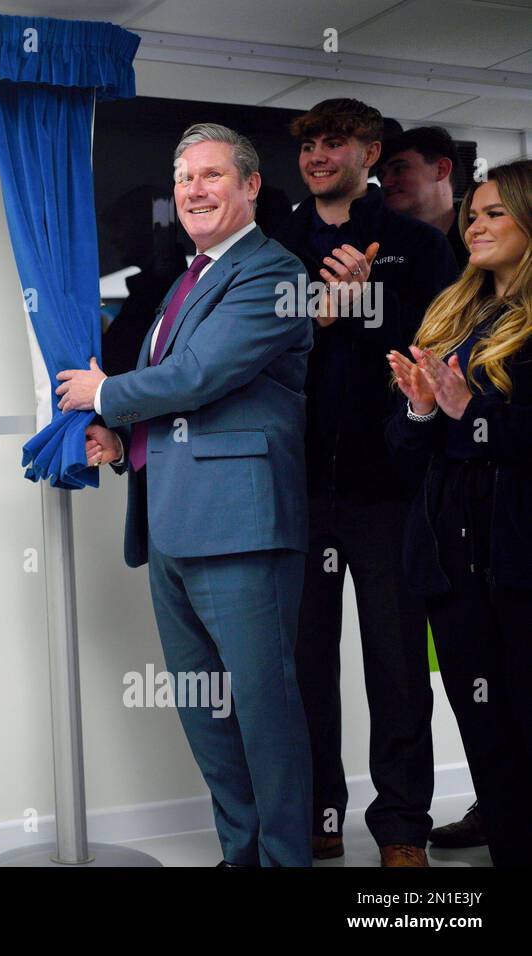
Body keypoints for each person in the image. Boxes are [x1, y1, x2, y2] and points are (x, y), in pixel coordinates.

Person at [56, 123, 313, 867]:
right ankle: (241, 855)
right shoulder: (186, 280)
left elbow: (201, 375)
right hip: (170, 524)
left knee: (265, 711)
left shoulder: (274, 274)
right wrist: (120, 444)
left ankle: (285, 860)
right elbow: (182, 407)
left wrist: (105, 393)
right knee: (208, 714)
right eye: (184, 178)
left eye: (211, 175)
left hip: (241, 527)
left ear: (251, 186)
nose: (194, 190)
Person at [271, 99, 458, 867]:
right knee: (306, 663)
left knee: (397, 664)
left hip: (392, 490)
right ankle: (319, 811)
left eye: (335, 142)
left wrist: (363, 312)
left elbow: (441, 354)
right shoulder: (276, 243)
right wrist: (317, 314)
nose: (319, 155)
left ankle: (403, 828)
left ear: (370, 152)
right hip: (298, 488)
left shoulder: (417, 245)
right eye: (310, 144)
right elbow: (253, 353)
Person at [386, 160, 532, 867]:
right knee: (488, 737)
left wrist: (471, 417)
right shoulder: (453, 312)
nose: (475, 225)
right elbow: (408, 450)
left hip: (522, 563)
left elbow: (504, 431)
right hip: (454, 567)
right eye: (472, 213)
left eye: (495, 213)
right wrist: (418, 410)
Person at [381, 126, 469, 271]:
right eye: (381, 176)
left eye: (399, 169)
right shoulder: (381, 246)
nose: (386, 183)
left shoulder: (482, 240)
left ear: (441, 169)